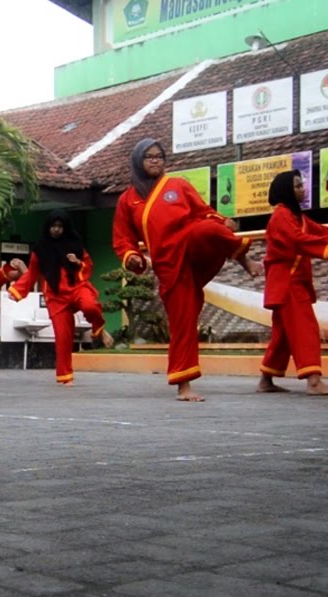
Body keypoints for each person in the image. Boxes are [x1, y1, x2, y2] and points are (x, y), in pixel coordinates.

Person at [112, 139, 262, 402]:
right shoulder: (127, 200)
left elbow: (204, 212)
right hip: (168, 264)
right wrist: (132, 257)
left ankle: (245, 259)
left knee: (209, 228)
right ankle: (184, 385)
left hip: (193, 246)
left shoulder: (178, 185)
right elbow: (122, 240)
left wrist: (223, 221)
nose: (155, 160)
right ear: (138, 161)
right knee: (184, 321)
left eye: (159, 156)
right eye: (149, 157)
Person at [257, 170, 328, 396]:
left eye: (302, 185)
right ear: (286, 191)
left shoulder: (296, 217)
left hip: (290, 283)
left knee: (283, 335)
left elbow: (321, 232)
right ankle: (314, 381)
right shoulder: (281, 216)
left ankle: (266, 379)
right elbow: (297, 240)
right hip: (288, 282)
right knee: (306, 329)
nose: (302, 189)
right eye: (297, 186)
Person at [9, 211, 111, 385]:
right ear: (48, 227)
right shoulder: (40, 249)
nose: (56, 230)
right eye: (53, 226)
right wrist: (18, 290)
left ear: (65, 228)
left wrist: (78, 262)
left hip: (76, 287)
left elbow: (88, 266)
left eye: (60, 226)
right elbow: (32, 273)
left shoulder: (74, 244)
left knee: (90, 306)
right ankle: (65, 376)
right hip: (55, 296)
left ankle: (98, 327)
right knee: (63, 337)